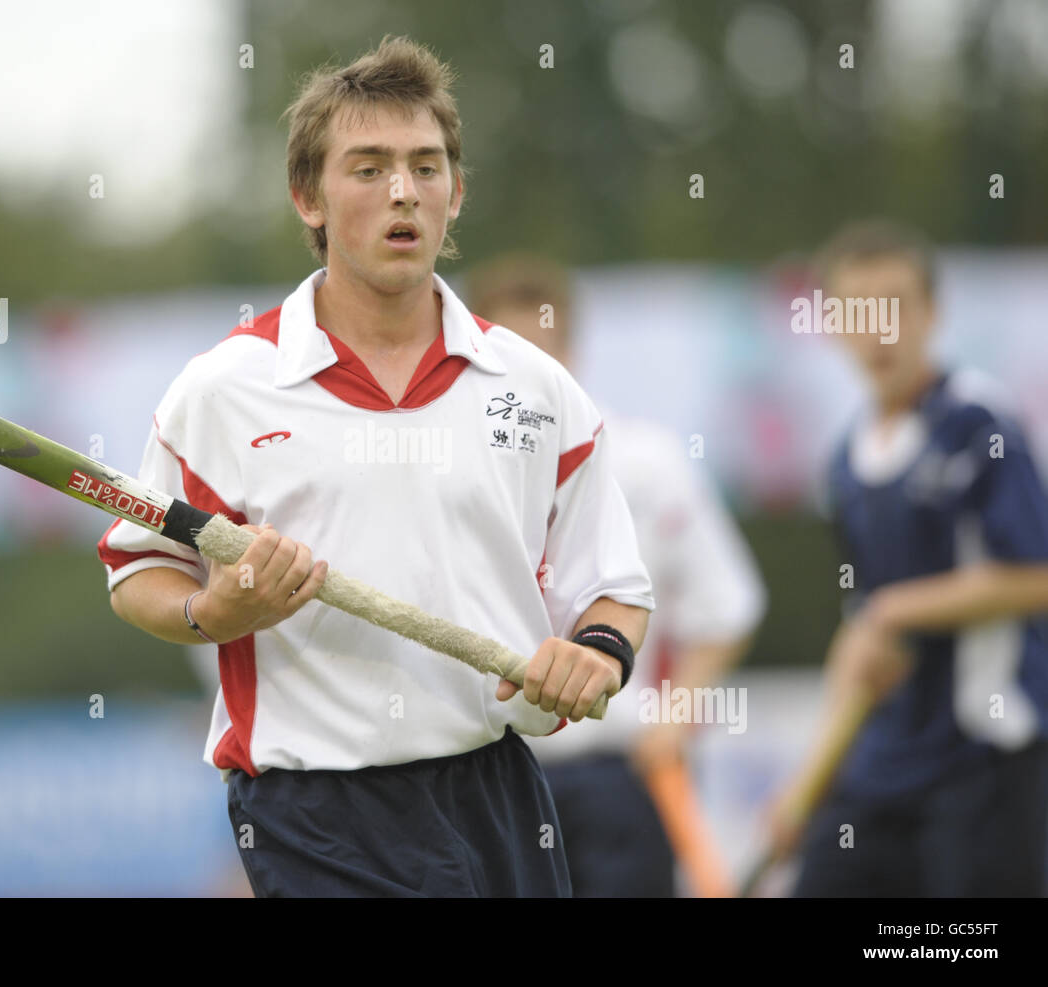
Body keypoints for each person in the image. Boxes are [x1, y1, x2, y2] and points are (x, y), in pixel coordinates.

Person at [97, 37, 654, 897]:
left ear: (455, 193)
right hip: (313, 808)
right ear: (307, 199)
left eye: (425, 166)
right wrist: (217, 609)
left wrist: (598, 654)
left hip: (496, 786)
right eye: (367, 168)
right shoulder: (222, 391)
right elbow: (139, 570)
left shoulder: (537, 389)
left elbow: (614, 589)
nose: (402, 191)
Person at [467, 254, 766, 896]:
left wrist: (674, 724)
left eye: (541, 351)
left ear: (571, 346)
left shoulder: (648, 462)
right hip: (488, 771)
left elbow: (725, 605)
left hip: (616, 769)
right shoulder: (451, 474)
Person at [776, 219, 1048, 896]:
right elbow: (861, 631)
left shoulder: (977, 422)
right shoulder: (844, 460)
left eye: (896, 305)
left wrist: (900, 608)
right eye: (858, 310)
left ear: (933, 312)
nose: (879, 329)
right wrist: (804, 788)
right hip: (879, 766)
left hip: (982, 761)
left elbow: (1037, 577)